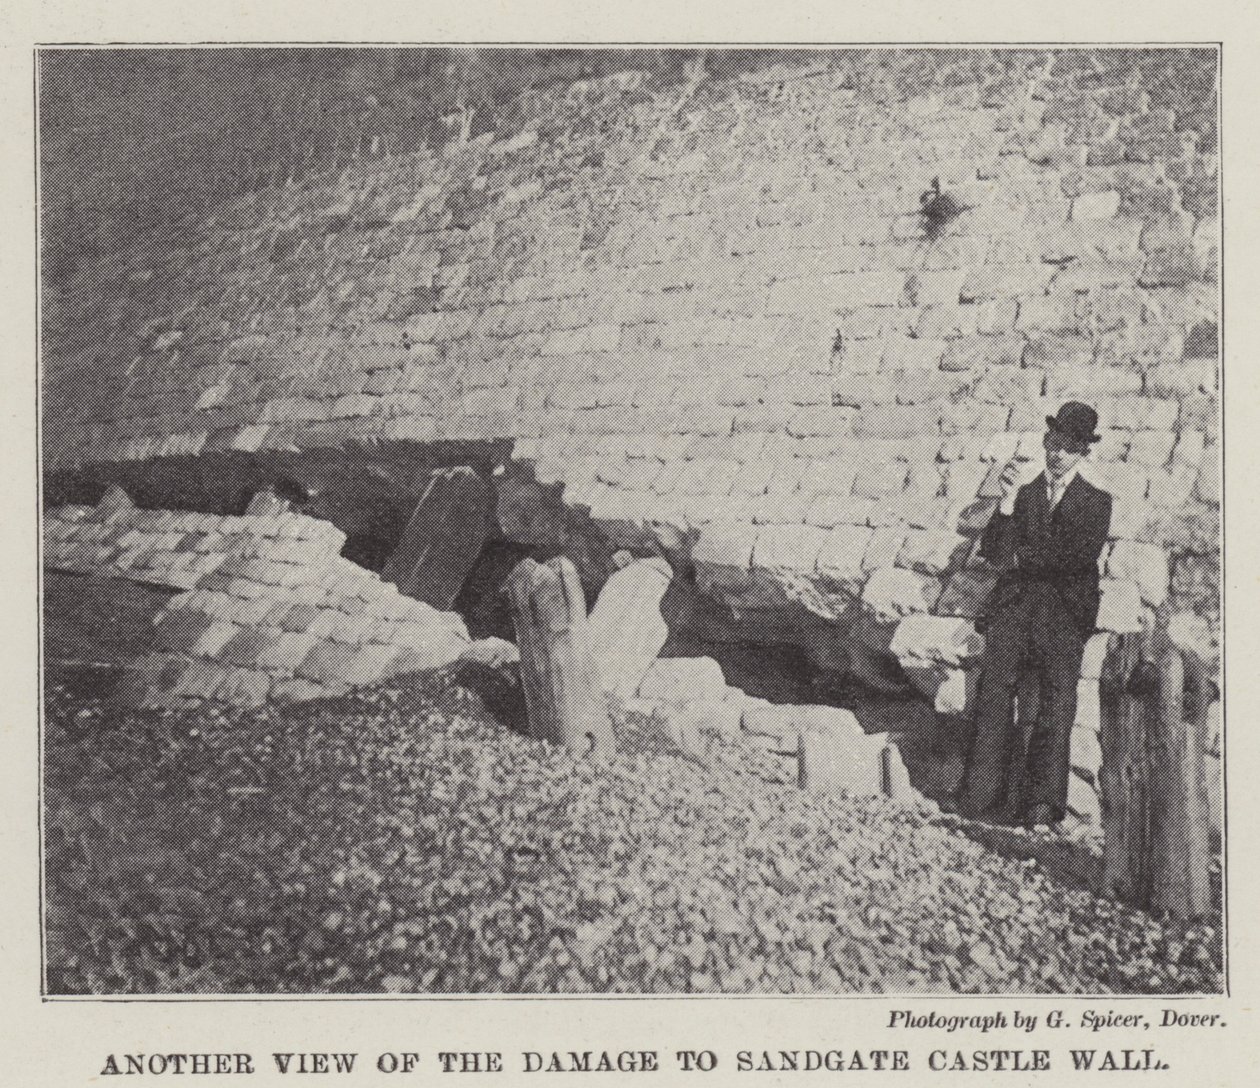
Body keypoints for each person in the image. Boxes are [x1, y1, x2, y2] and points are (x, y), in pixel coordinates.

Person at [955, 402, 1113, 831]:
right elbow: (992, 552)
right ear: (1046, 442)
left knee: (1056, 705)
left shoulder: (1097, 502)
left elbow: (1076, 556)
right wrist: (1004, 507)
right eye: (1055, 443)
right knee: (993, 693)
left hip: (1063, 615)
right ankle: (979, 796)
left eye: (1070, 447)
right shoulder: (1022, 496)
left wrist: (1020, 556)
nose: (1059, 453)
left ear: (1084, 453)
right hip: (1016, 610)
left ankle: (1042, 806)